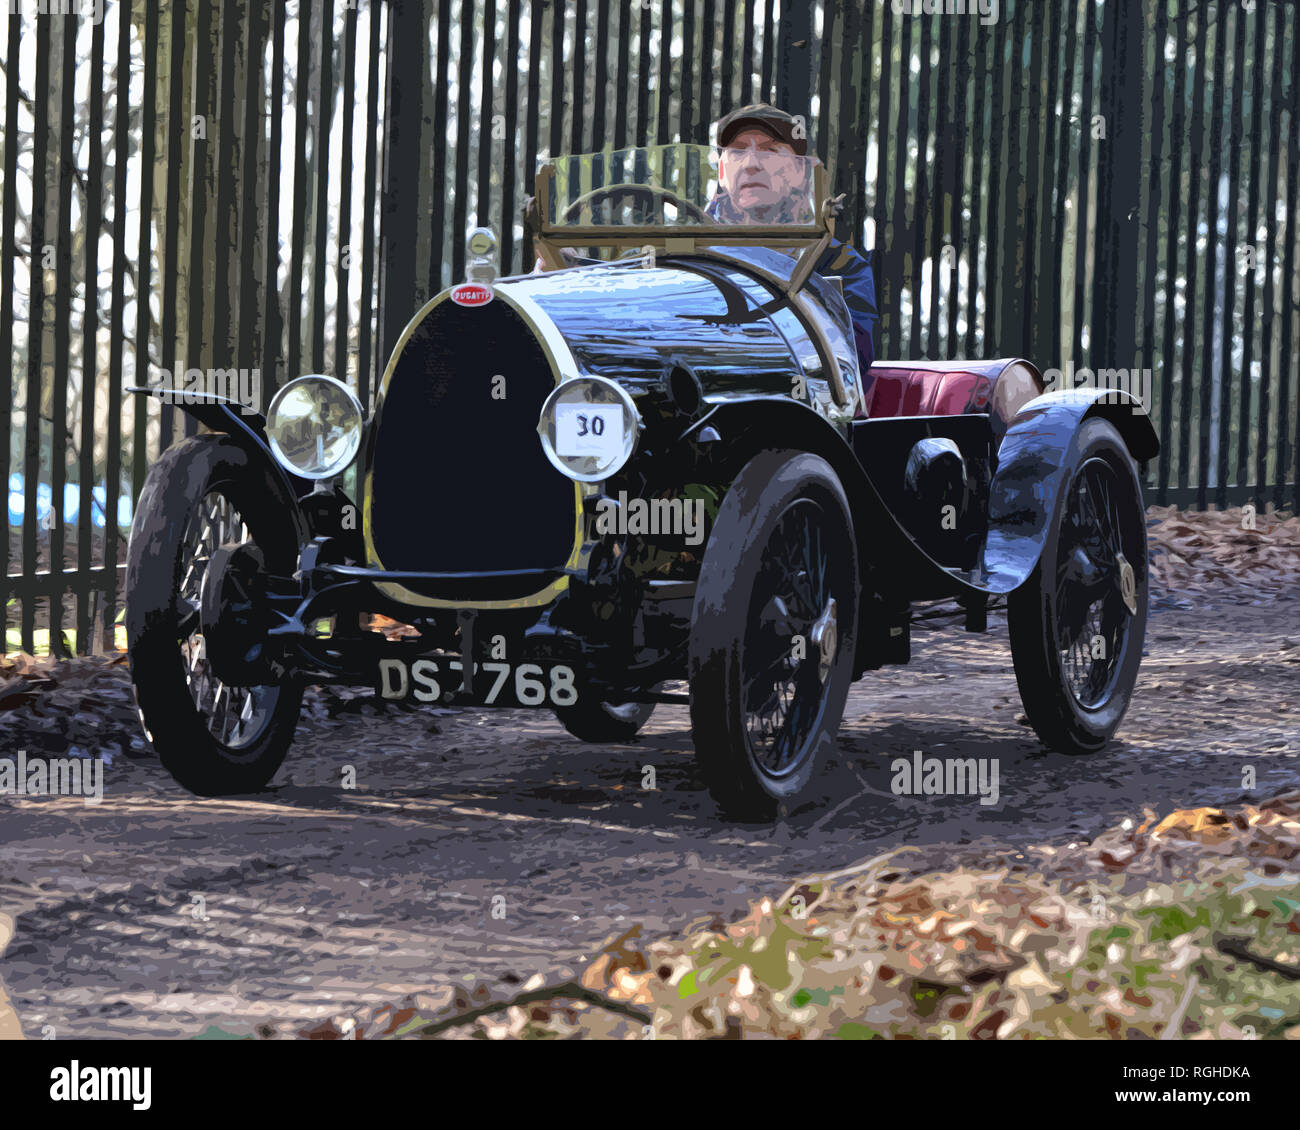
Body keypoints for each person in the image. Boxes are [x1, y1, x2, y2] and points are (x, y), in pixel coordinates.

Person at [710, 103, 879, 376]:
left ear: (801, 172)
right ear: (721, 173)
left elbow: (846, 364)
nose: (751, 163)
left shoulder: (839, 265)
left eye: (770, 149)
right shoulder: (688, 257)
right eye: (738, 150)